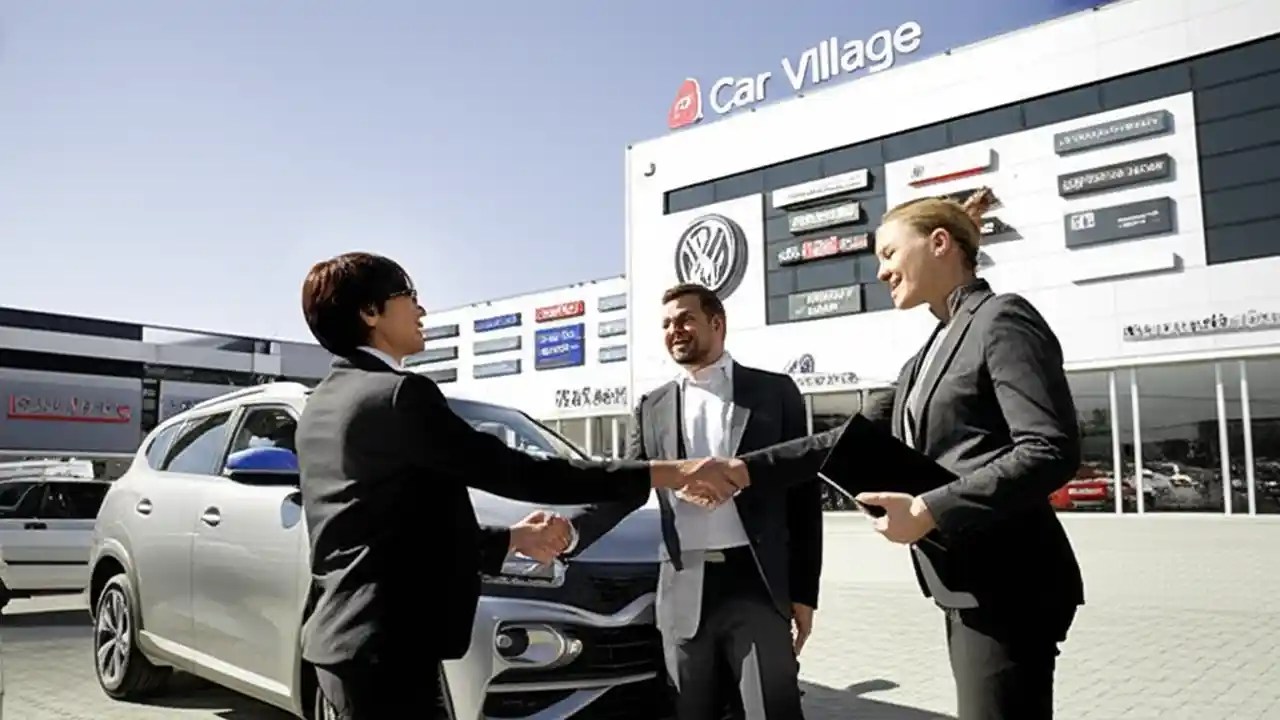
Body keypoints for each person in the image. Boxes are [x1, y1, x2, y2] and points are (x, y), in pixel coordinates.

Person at [294, 252, 745, 720]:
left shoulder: (323, 403)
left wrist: (513, 539)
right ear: (370, 312)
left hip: (347, 642)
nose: (421, 310)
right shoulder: (398, 395)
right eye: (409, 296)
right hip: (389, 649)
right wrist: (669, 473)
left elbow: (394, 536)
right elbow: (519, 471)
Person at [724, 188, 1085, 720]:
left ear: (940, 243)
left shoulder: (1001, 319)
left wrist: (930, 509)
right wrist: (742, 470)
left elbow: (1049, 449)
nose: (881, 272)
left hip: (1012, 582)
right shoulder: (922, 360)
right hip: (966, 581)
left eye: (889, 253)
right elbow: (842, 442)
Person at [574, 283, 822, 720]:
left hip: (756, 583)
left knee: (772, 709)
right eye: (667, 324)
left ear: (716, 323)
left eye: (686, 319)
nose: (675, 330)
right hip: (683, 585)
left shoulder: (774, 392)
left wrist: (804, 591)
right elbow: (628, 486)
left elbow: (803, 496)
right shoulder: (652, 406)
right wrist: (571, 531)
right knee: (690, 710)